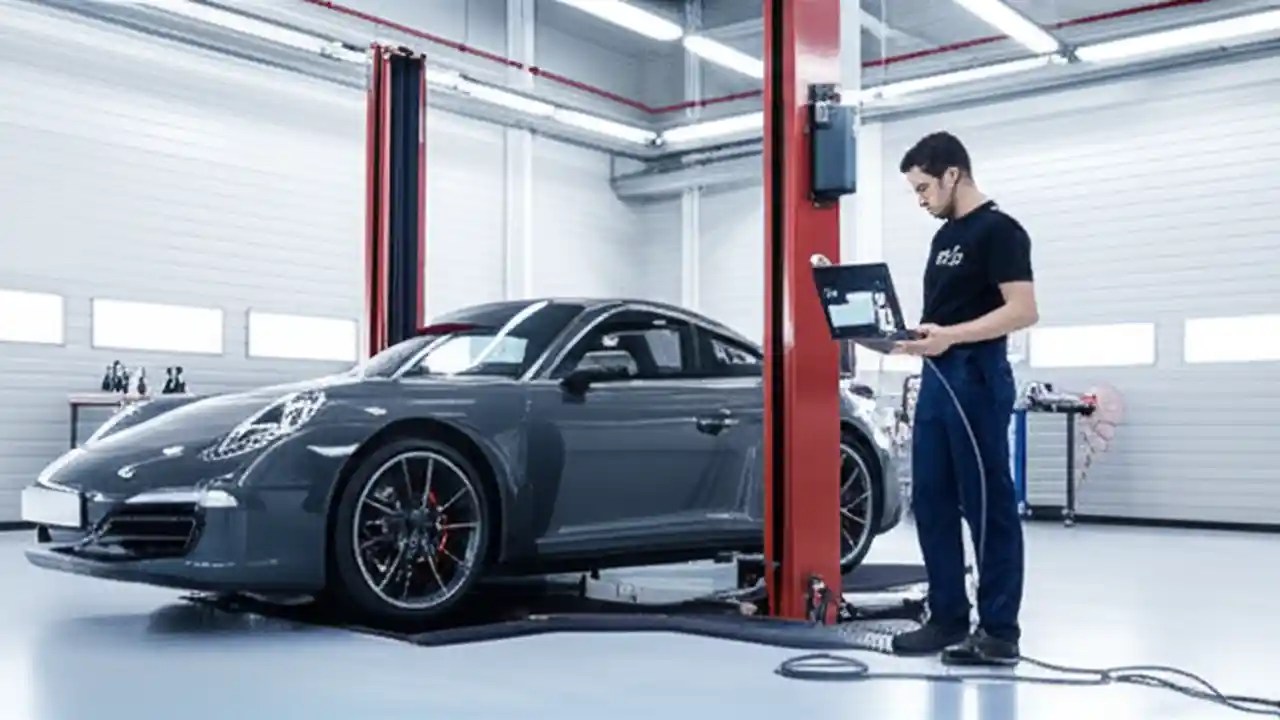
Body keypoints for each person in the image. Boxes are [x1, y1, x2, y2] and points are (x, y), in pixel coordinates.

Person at [888, 131, 1039, 664]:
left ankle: (999, 631)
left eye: (924, 188)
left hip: (977, 377)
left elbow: (1022, 310)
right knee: (930, 499)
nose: (920, 199)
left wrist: (951, 337)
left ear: (953, 174)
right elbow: (947, 316)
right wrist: (914, 339)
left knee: (986, 504)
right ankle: (948, 617)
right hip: (937, 377)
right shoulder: (943, 238)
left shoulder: (1000, 231)